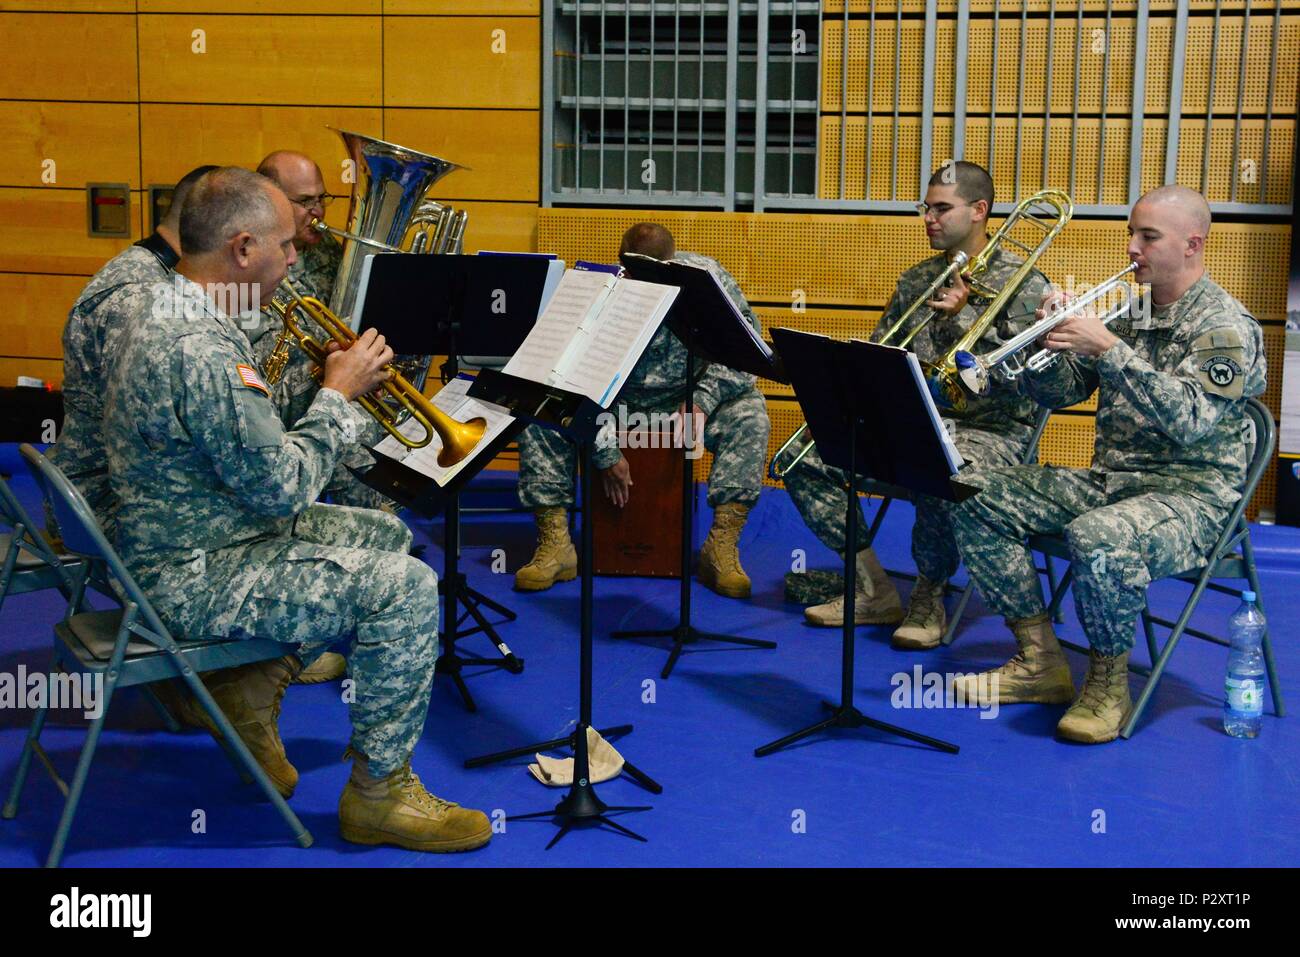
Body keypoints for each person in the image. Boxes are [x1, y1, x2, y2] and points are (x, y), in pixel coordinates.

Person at [102, 167, 490, 851]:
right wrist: (337, 399)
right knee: (405, 587)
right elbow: (283, 486)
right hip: (190, 572)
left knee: (381, 535)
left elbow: (240, 449)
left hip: (197, 534)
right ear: (243, 248)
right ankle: (379, 790)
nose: (296, 258)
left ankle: (251, 684)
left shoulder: (172, 309)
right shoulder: (199, 347)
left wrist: (317, 393)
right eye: (286, 245)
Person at [949, 185, 1266, 743]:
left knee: (1096, 536)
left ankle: (1106, 686)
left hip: (1191, 499)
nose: (1131, 248)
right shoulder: (1132, 308)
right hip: (1114, 482)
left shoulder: (1225, 326)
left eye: (1148, 237)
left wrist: (1110, 351)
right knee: (970, 488)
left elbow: (1192, 420)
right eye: (1131, 233)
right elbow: (1061, 393)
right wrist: (1053, 342)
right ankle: (1040, 659)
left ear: (1192, 244)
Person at [782, 162, 1050, 648]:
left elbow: (1026, 378)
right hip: (916, 416)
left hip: (991, 431)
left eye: (942, 208)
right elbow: (881, 351)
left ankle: (930, 593)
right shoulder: (918, 279)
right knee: (804, 456)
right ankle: (873, 587)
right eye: (926, 208)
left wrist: (967, 316)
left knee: (936, 464)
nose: (929, 218)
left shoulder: (1027, 282)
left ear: (979, 211)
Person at [514, 222, 771, 599]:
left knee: (751, 415)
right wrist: (604, 448)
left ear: (671, 263)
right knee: (542, 416)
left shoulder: (709, 281)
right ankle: (557, 544)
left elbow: (745, 354)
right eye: (634, 273)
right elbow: (572, 379)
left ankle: (721, 544)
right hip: (616, 404)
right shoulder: (604, 290)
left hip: (688, 396)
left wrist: (701, 400)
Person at [47, 164, 217, 537]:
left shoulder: (161, 276)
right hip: (105, 502)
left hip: (126, 488)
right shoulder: (137, 293)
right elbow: (151, 424)